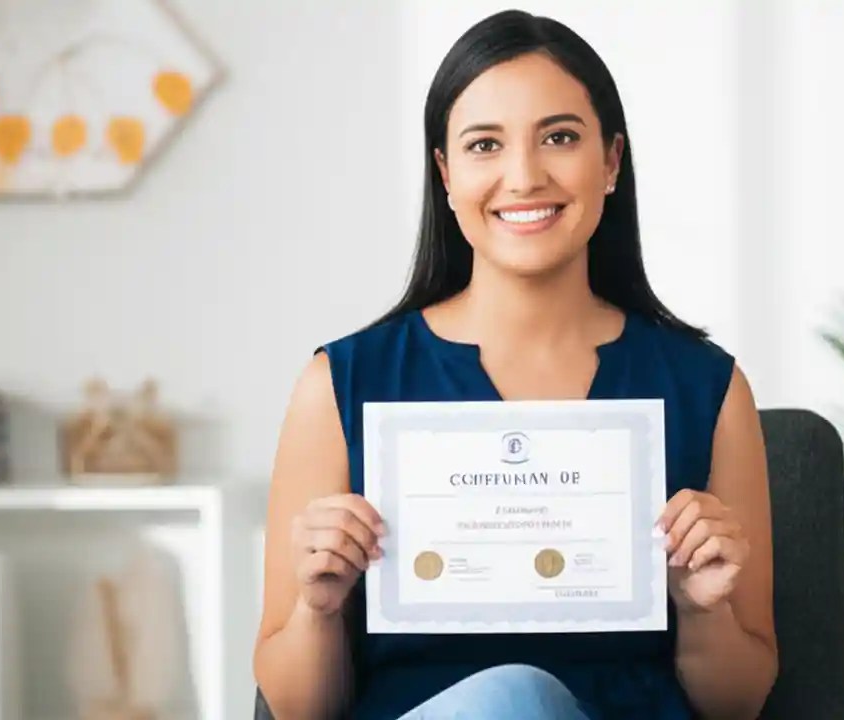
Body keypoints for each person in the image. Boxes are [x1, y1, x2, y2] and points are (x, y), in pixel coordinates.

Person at [254, 9, 777, 719]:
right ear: (444, 172)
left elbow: (738, 705)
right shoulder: (339, 386)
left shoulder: (708, 389)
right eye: (484, 145)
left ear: (612, 161)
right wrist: (317, 610)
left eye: (559, 138)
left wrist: (702, 606)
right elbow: (296, 710)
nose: (523, 176)